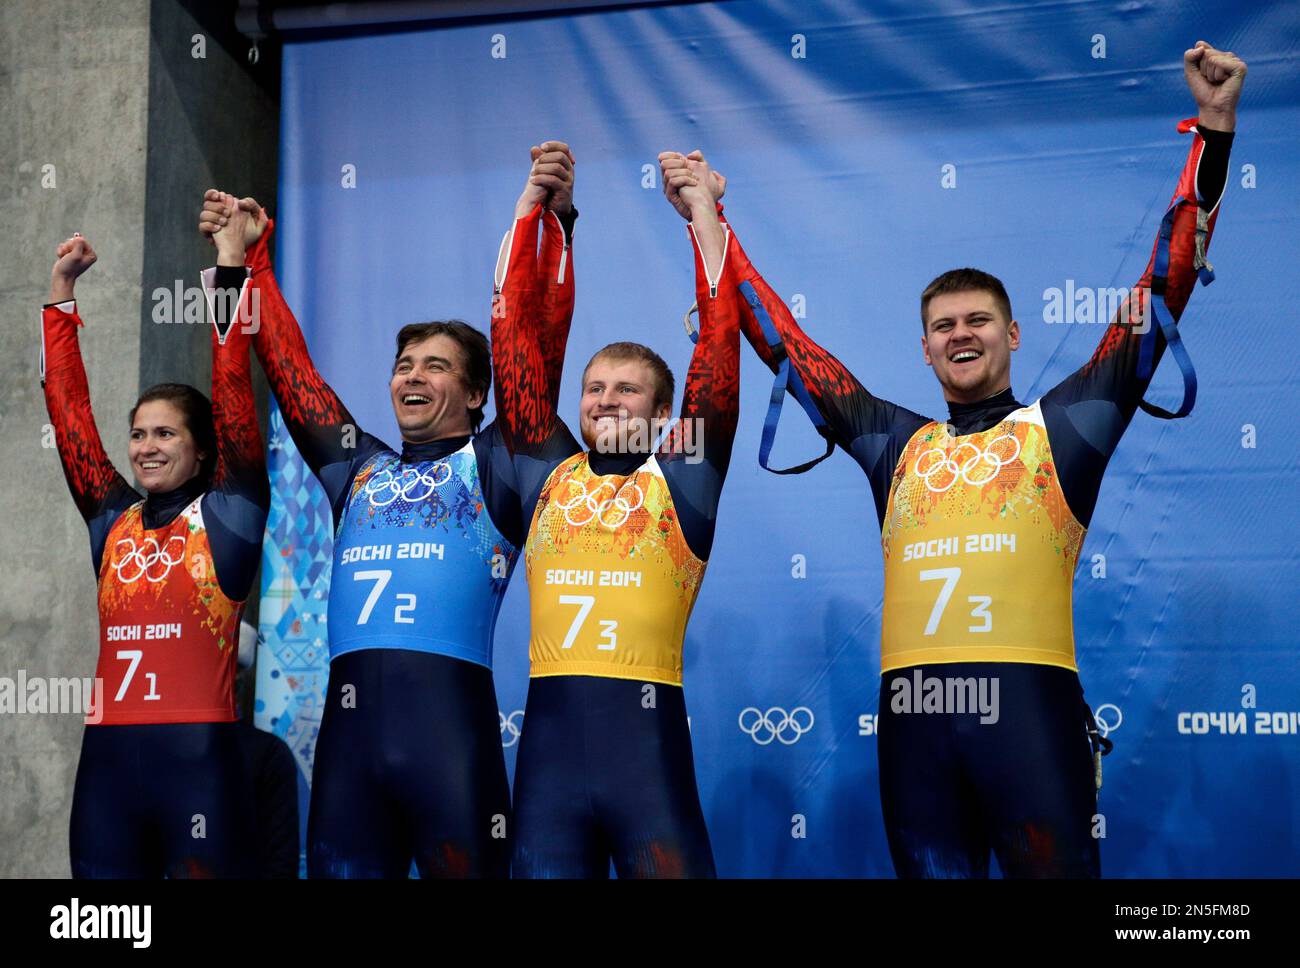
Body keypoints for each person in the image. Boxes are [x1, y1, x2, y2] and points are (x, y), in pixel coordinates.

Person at [664, 42, 1245, 877]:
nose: (961, 333)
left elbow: (1165, 285)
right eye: (944, 326)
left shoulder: (1066, 428)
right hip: (915, 730)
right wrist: (708, 216)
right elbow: (777, 335)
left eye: (978, 320)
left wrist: (1214, 131)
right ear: (925, 352)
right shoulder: (896, 445)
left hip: (1032, 729)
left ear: (1013, 335)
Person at [195, 150, 575, 877]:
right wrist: (252, 259)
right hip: (349, 760)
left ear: (475, 397)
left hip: (453, 757)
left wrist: (549, 222)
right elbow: (290, 370)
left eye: (435, 365)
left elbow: (537, 345)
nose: (412, 375)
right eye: (403, 364)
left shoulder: (498, 464)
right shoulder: (356, 469)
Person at [494, 140, 741, 878]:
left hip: (648, 773)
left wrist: (704, 216)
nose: (604, 399)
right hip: (547, 779)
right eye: (595, 387)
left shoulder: (684, 479)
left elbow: (719, 348)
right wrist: (533, 214)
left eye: (626, 389)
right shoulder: (547, 474)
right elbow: (514, 344)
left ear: (665, 412)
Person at [43, 198, 268, 877]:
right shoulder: (112, 520)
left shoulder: (231, 514)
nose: (144, 447)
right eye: (138, 433)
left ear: (203, 452)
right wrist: (60, 296)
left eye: (165, 433)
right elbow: (69, 412)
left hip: (200, 774)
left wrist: (230, 263)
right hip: (107, 773)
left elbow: (232, 385)